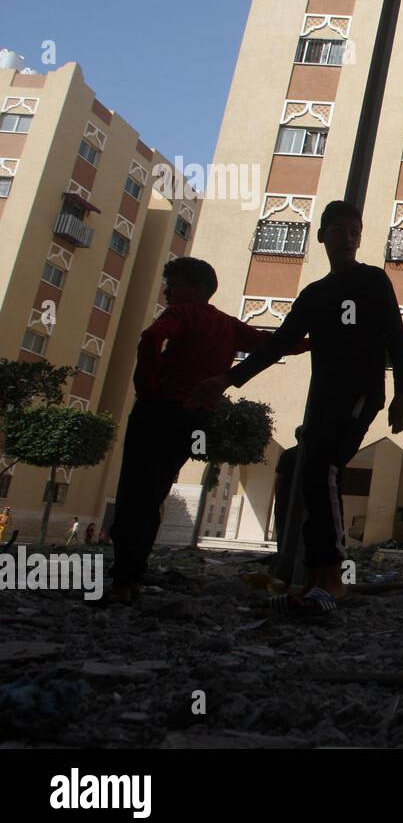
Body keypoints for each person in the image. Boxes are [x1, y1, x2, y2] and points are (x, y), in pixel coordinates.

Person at [191, 201, 403, 610]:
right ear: (322, 235)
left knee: (323, 467)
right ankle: (310, 572)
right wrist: (228, 378)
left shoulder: (373, 281)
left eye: (354, 232)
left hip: (361, 392)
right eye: (339, 230)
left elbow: (395, 336)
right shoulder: (314, 295)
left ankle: (334, 576)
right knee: (297, 467)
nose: (347, 238)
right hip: (324, 400)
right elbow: (277, 344)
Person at [106, 257, 305, 606]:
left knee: (134, 494)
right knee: (154, 493)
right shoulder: (227, 326)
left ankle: (123, 582)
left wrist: (147, 386)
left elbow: (151, 337)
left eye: (174, 284)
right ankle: (132, 578)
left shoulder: (182, 315)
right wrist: (316, 340)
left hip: (157, 410)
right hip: (193, 419)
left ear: (197, 289)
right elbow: (274, 345)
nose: (167, 291)